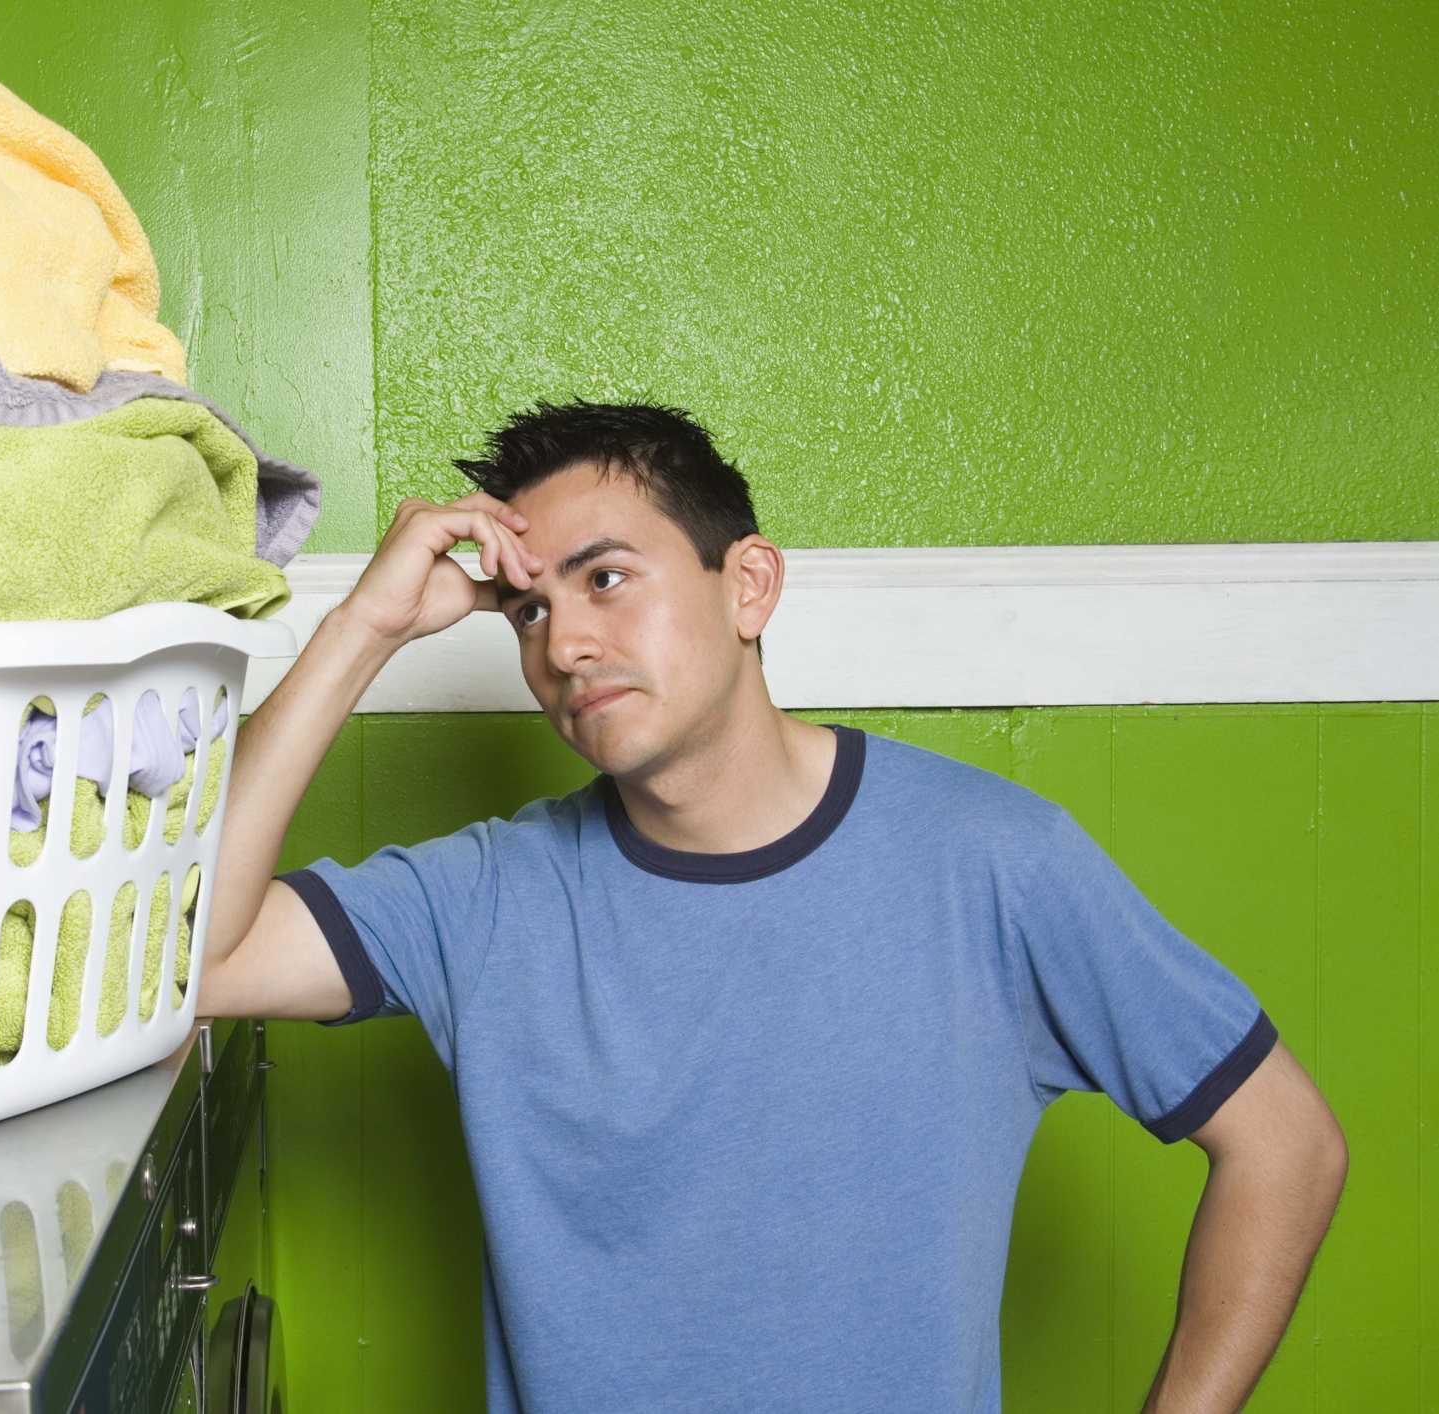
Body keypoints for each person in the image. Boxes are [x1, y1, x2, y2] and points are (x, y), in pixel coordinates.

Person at [198, 400, 1346, 1413]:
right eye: (529, 614)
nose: (567, 644)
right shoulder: (489, 897)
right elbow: (195, 964)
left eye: (605, 579)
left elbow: (1286, 1144)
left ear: (749, 585)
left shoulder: (995, 862)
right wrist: (366, 630)